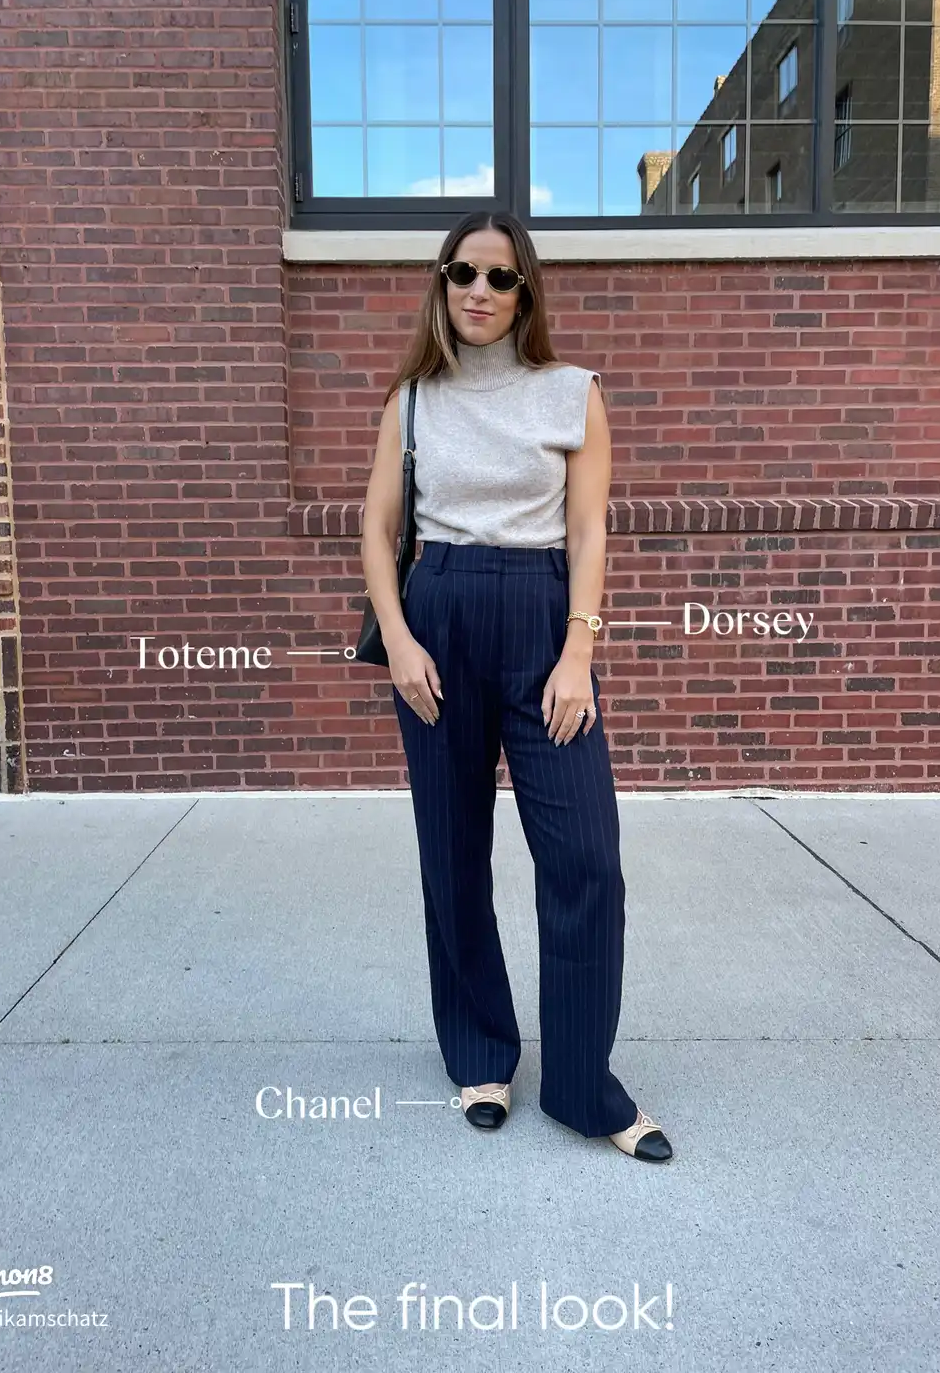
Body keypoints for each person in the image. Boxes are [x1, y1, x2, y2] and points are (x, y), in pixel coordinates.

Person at [360, 210, 673, 1164]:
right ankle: (481, 1055)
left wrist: (579, 651)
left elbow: (587, 533)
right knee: (452, 856)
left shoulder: (571, 394)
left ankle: (582, 1085)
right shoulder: (412, 399)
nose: (480, 293)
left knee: (585, 861)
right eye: (463, 273)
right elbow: (377, 530)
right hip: (441, 617)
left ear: (526, 291)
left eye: (501, 278)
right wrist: (404, 641)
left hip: (543, 622)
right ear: (441, 283)